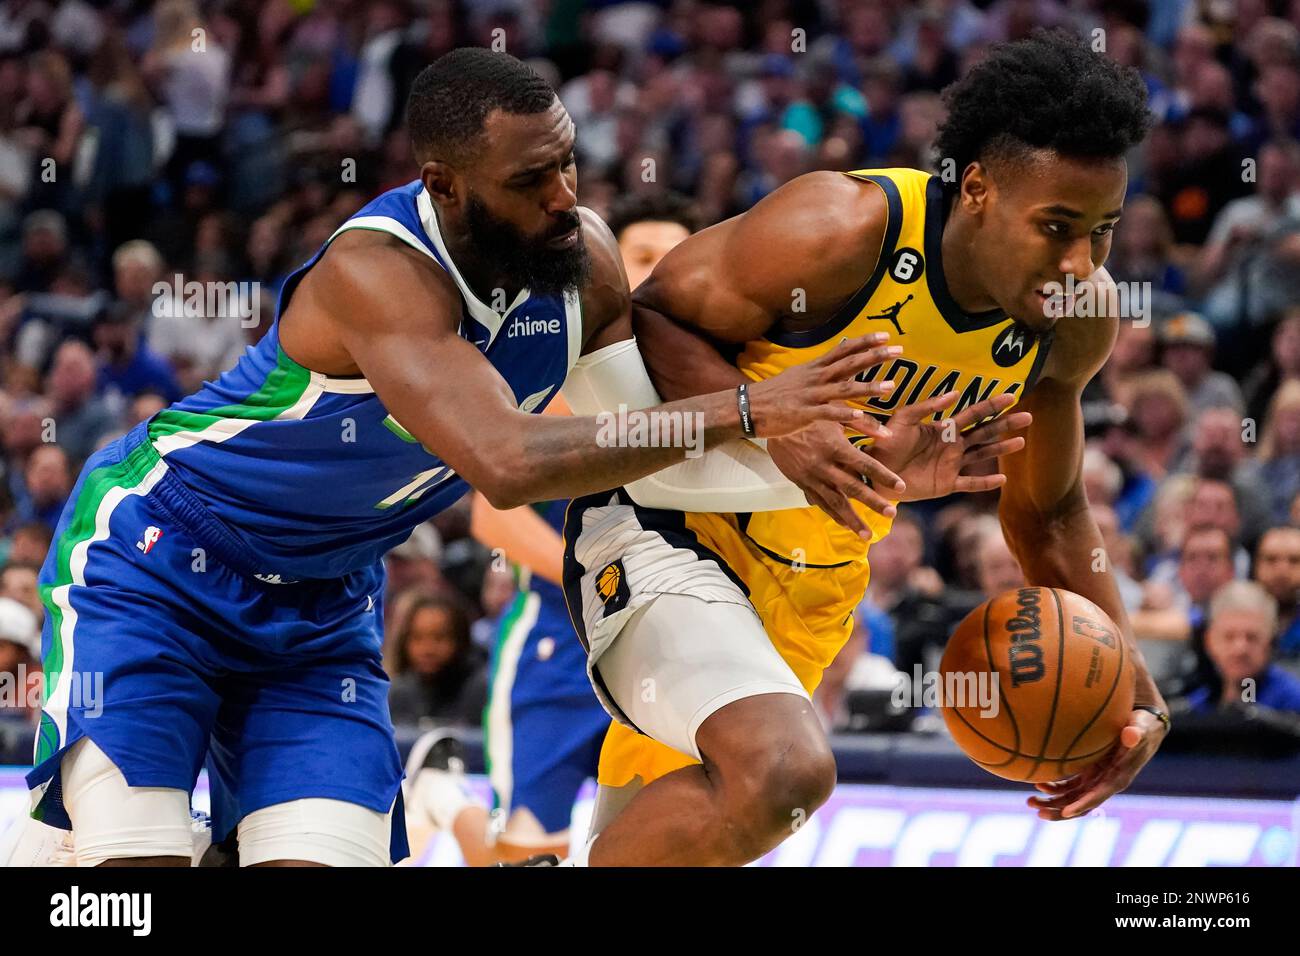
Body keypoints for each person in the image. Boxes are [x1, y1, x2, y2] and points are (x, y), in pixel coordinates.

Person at [22, 49, 891, 868]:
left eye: (567, 164)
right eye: (529, 180)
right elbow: (506, 462)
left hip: (321, 600)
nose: (564, 197)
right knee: (135, 870)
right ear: (443, 185)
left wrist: (848, 461)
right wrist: (744, 406)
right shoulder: (378, 271)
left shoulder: (581, 260)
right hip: (160, 560)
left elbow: (650, 445)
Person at [557, 30, 1170, 867]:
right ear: (981, 190)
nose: (1078, 262)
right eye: (1056, 226)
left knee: (670, 843)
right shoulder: (842, 229)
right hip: (678, 527)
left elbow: (1050, 508)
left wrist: (1131, 684)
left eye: (1101, 231)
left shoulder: (1075, 317)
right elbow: (655, 314)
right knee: (780, 775)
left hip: (815, 586)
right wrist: (772, 421)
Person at [408, 194, 698, 866]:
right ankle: (444, 802)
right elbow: (491, 515)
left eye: (675, 257)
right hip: (556, 643)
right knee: (526, 859)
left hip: (662, 647)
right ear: (611, 266)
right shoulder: (564, 375)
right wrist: (591, 577)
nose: (661, 272)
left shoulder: (708, 378)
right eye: (645, 256)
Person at [1182, 580, 1300, 714]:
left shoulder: (1294, 703)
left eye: (1252, 637)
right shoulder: (1195, 707)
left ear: (1271, 642)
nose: (1240, 649)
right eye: (1229, 637)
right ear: (1209, 642)